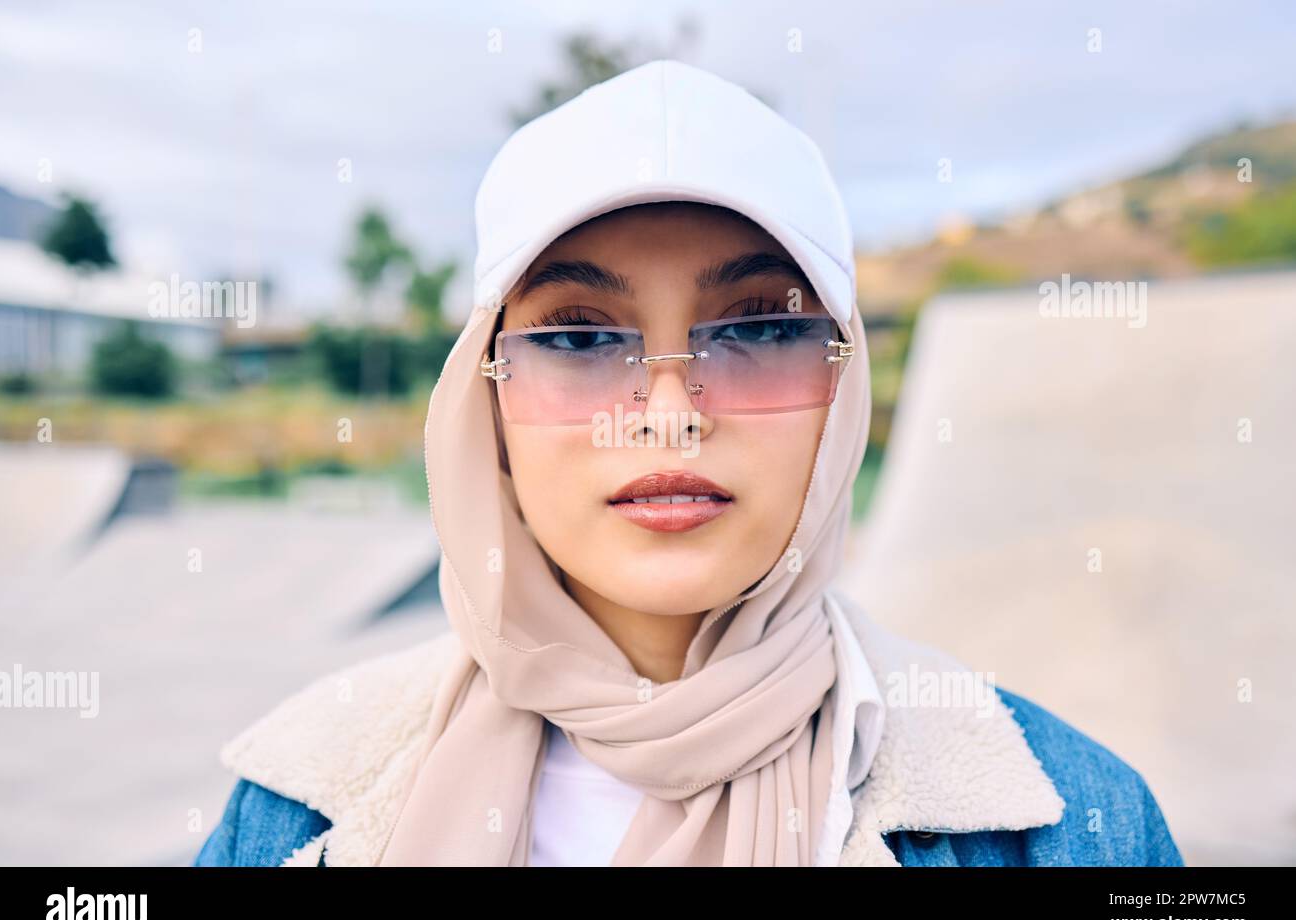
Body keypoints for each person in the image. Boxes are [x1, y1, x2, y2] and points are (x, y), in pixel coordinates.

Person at [193, 59, 1184, 867]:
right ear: (485, 398)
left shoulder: (1072, 826)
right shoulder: (294, 801)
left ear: (843, 394)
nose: (666, 416)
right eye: (579, 340)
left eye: (755, 326)